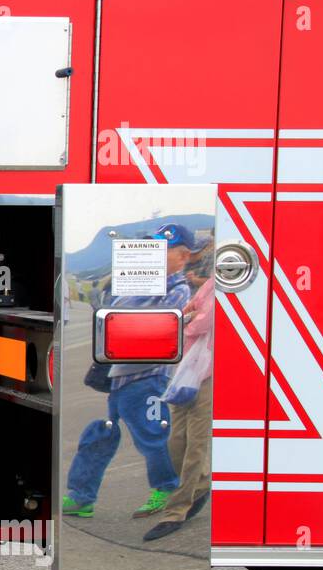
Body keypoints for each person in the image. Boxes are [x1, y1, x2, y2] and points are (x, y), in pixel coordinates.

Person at [62, 223, 198, 519]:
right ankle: (81, 496)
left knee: (151, 436)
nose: (154, 256)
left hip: (148, 378)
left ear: (183, 256)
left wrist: (128, 299)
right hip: (119, 376)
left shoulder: (177, 290)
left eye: (163, 250)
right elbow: (109, 314)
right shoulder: (133, 285)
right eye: (151, 250)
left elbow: (156, 328)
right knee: (100, 434)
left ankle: (167, 488)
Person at [143, 253, 215, 541]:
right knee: (177, 439)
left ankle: (177, 510)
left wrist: (186, 321)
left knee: (194, 443)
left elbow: (201, 322)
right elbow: (191, 310)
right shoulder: (211, 285)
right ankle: (200, 484)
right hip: (188, 371)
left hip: (207, 373)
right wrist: (190, 317)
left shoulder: (225, 292)